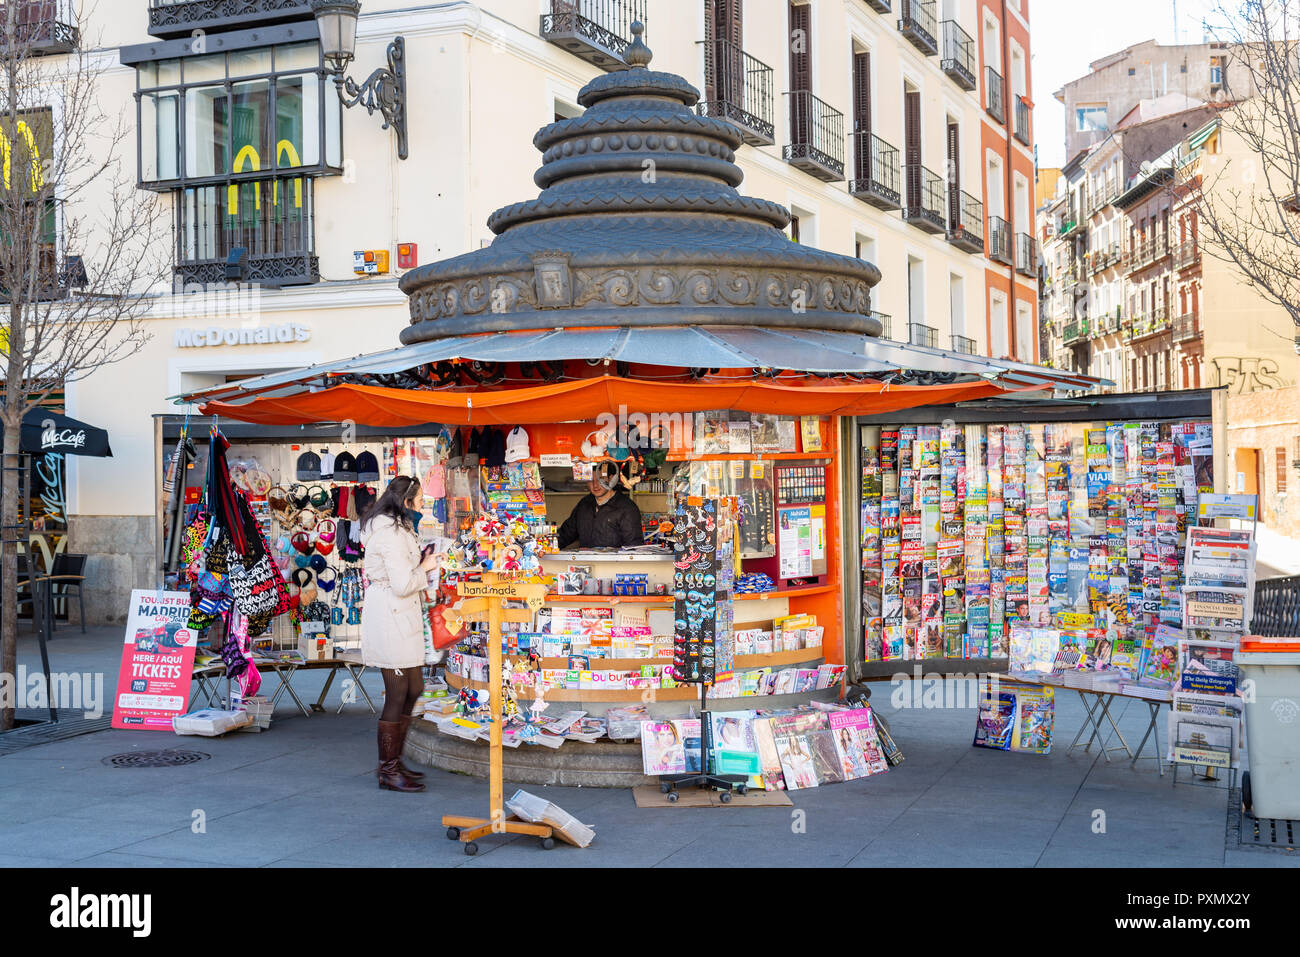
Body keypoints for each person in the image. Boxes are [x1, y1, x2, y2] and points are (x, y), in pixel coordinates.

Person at [359, 475, 439, 793]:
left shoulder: (399, 525)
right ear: (406, 501)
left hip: (400, 615)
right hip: (390, 616)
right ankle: (388, 770)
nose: (423, 502)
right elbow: (403, 583)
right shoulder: (390, 533)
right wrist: (427, 567)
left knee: (414, 687)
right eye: (419, 498)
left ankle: (395, 760)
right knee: (398, 692)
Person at [557, 462, 644, 549]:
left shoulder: (626, 508)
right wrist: (546, 546)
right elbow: (566, 533)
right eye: (591, 480)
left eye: (600, 479)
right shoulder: (584, 504)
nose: (595, 485)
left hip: (614, 562)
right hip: (586, 561)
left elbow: (634, 547)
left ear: (611, 479)